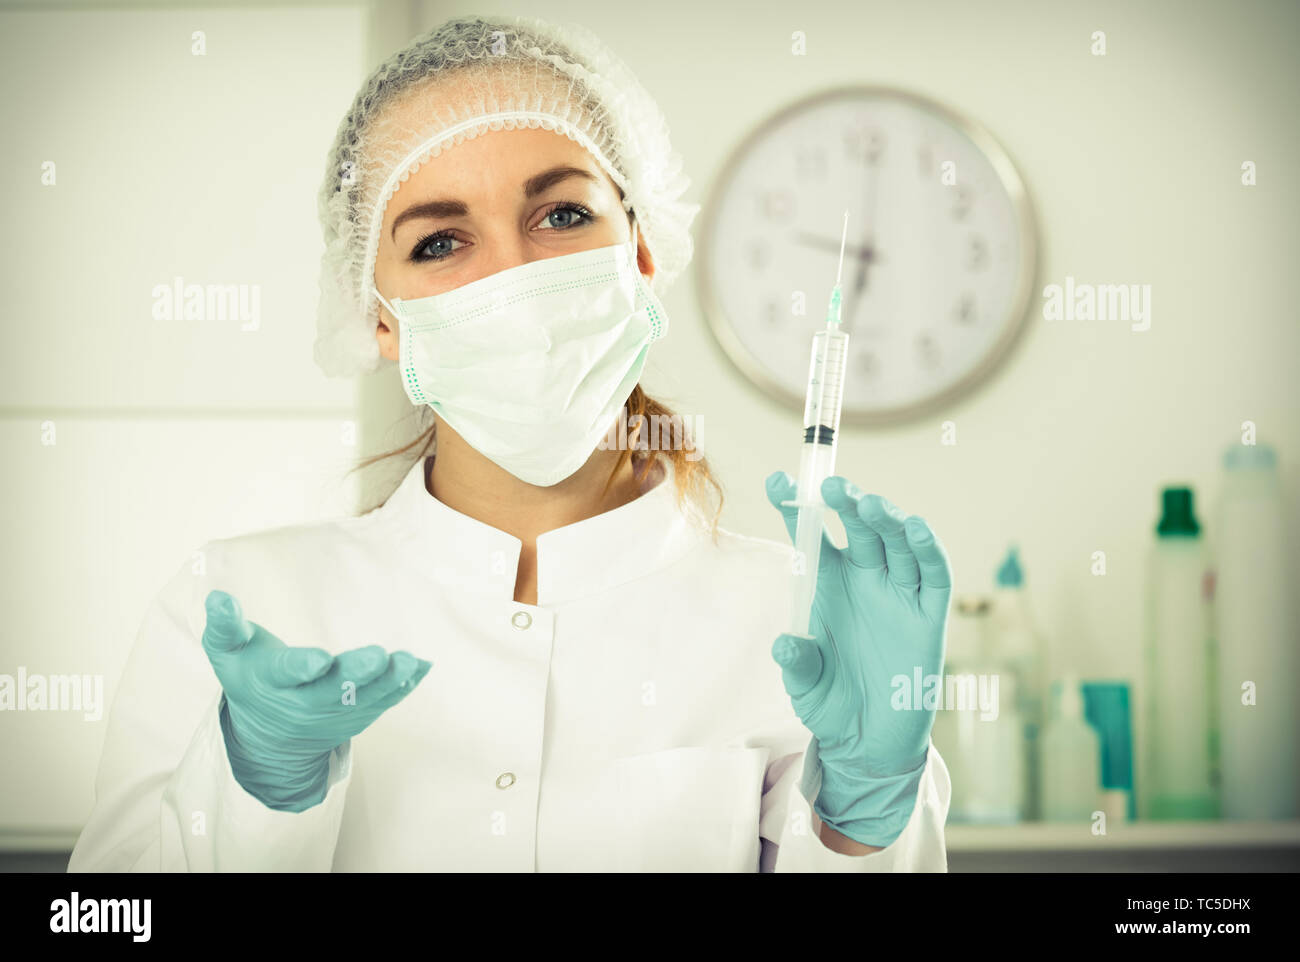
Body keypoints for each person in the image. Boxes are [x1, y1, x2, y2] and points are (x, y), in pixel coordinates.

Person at [68, 13, 952, 873]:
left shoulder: (800, 623)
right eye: (441, 241)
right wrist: (252, 787)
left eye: (562, 215)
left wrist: (864, 817)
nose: (516, 276)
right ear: (380, 318)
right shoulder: (236, 606)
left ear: (640, 250)